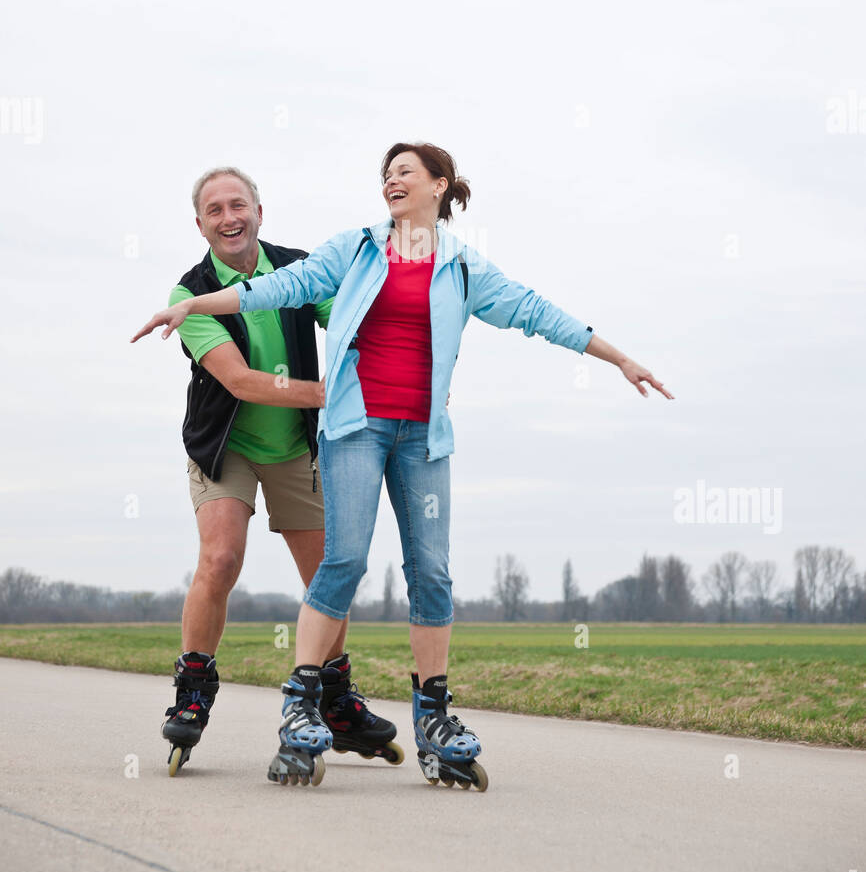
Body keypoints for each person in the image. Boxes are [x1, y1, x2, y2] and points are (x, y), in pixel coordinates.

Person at [134, 143, 673, 790]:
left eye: (405, 172)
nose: (391, 181)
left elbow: (535, 312)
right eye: (386, 174)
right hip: (354, 429)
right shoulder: (355, 251)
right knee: (344, 560)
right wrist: (196, 305)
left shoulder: (464, 268)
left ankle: (434, 715)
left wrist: (617, 357)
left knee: (433, 572)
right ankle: (303, 702)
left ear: (439, 186)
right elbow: (277, 289)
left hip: (423, 437)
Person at [148, 165, 398, 777]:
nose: (229, 217)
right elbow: (240, 380)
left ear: (260, 211)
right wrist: (337, 396)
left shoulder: (298, 268)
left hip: (296, 446)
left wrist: (398, 374)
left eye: (239, 204)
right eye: (215, 210)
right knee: (221, 559)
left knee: (328, 576)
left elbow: (352, 328)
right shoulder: (191, 295)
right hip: (224, 444)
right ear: (201, 224)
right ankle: (194, 690)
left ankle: (335, 702)